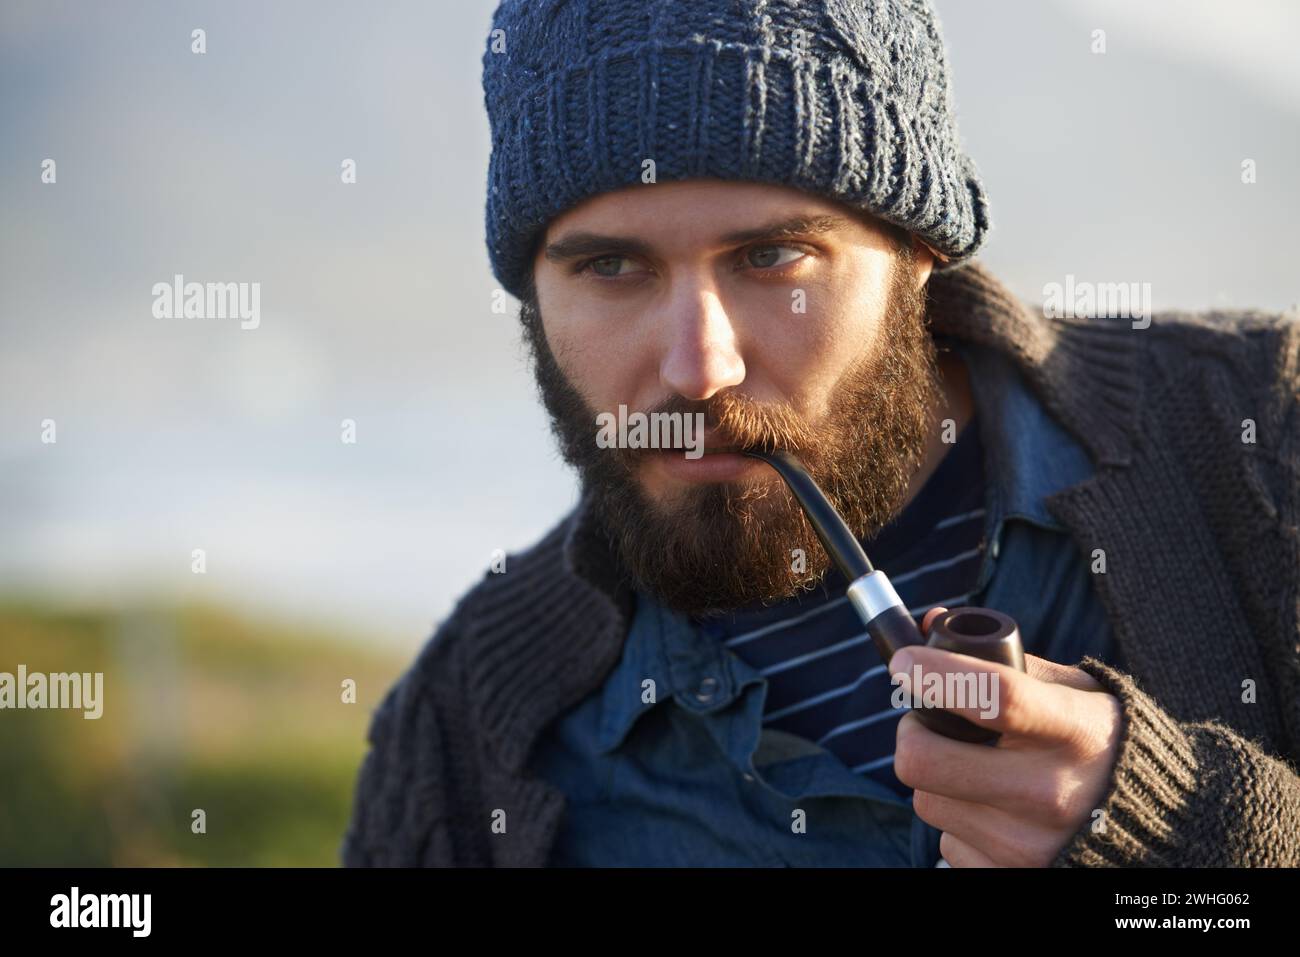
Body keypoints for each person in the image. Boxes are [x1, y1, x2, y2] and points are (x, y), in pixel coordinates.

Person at [341, 0, 1299, 867]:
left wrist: (1184, 845)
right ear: (533, 297)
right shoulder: (465, 729)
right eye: (609, 267)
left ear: (919, 250)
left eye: (770, 255)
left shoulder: (1266, 442)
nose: (697, 367)